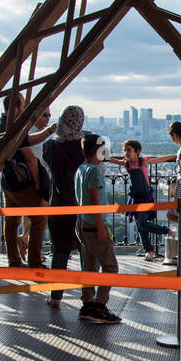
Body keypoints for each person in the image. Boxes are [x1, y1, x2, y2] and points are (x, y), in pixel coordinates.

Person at [39, 105, 87, 308]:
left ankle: (56, 296)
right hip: (82, 205)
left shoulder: (50, 146)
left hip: (59, 204)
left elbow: (45, 165)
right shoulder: (85, 144)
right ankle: (88, 297)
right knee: (86, 253)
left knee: (60, 251)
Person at [0, 96, 55, 268]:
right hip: (23, 182)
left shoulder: (2, 123)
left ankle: (14, 259)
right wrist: (38, 184)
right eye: (23, 104)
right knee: (39, 219)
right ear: (17, 106)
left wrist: (48, 131)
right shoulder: (15, 125)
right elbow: (30, 158)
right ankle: (34, 259)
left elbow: (28, 140)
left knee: (11, 221)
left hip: (8, 180)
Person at [74, 134, 121, 324]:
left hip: (82, 223)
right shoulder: (94, 172)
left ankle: (87, 304)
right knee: (110, 266)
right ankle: (100, 307)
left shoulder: (81, 169)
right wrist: (101, 228)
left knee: (89, 265)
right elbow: (95, 201)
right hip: (94, 224)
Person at [116, 140, 171, 260]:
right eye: (125, 150)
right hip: (136, 198)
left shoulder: (142, 161)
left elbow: (159, 159)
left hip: (144, 197)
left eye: (128, 150)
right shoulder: (128, 163)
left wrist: (175, 156)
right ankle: (149, 250)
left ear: (137, 151)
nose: (126, 153)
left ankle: (166, 231)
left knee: (142, 223)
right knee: (140, 225)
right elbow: (116, 161)